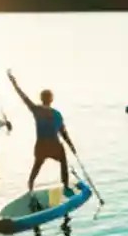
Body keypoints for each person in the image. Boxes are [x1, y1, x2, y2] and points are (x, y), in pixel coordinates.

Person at [6, 70, 78, 198]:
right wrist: (72, 147)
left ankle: (30, 184)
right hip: (54, 146)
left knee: (37, 165)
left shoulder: (36, 110)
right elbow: (64, 134)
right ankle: (65, 186)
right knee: (63, 159)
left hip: (40, 147)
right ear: (51, 99)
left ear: (41, 99)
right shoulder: (57, 114)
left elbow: (23, 97)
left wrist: (14, 82)